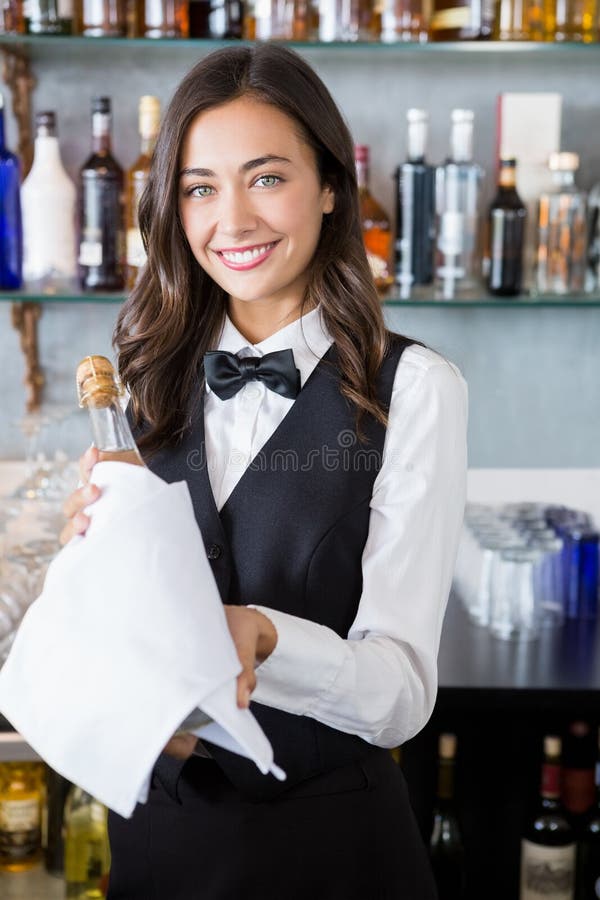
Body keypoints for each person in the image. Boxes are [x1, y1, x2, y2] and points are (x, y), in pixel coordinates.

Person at [60, 43, 468, 900]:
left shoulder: (416, 389)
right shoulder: (144, 375)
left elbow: (401, 693)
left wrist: (268, 636)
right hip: (159, 839)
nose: (232, 220)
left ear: (328, 187)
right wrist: (89, 577)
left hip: (328, 848)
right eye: (201, 187)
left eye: (267, 178)